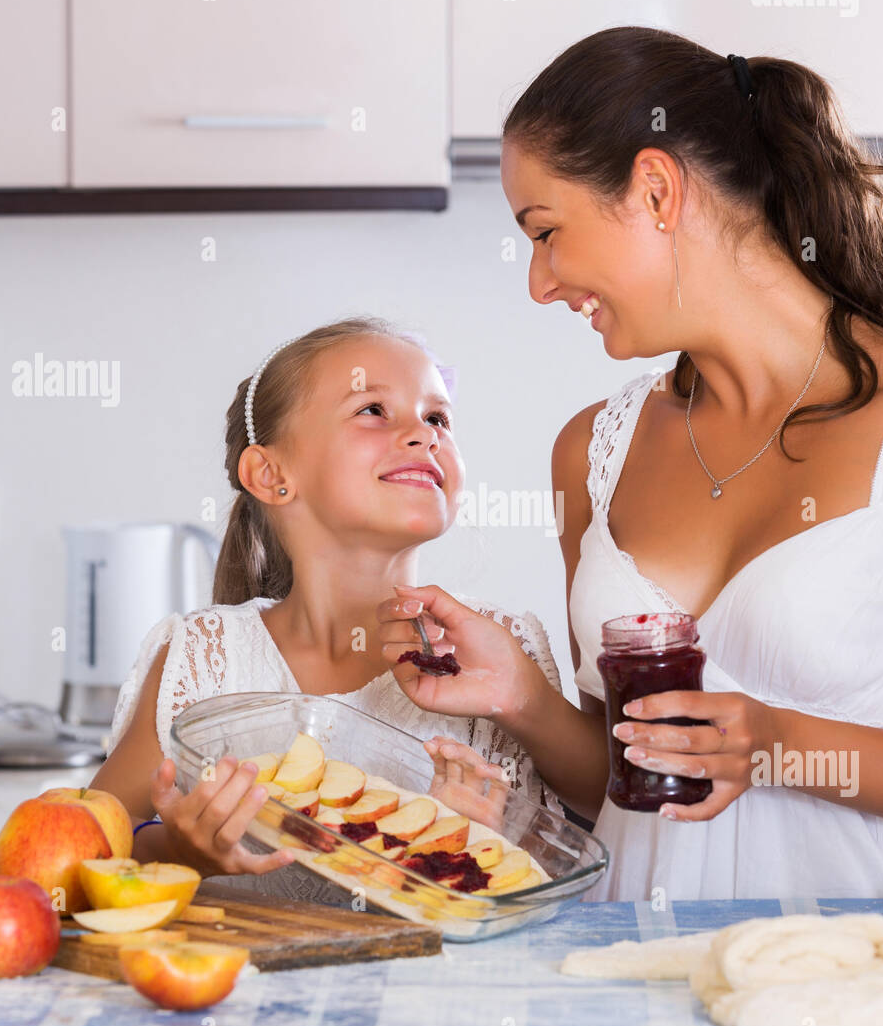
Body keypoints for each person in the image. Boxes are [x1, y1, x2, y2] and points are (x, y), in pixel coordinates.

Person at [377, 28, 883, 901]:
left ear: (655, 189)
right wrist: (522, 698)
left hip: (858, 986)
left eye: (547, 231)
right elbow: (630, 784)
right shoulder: (594, 452)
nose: (540, 283)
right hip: (623, 979)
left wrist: (778, 744)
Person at [92, 317, 565, 902]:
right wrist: (179, 852)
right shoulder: (199, 661)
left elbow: (587, 857)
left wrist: (474, 851)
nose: (425, 435)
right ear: (271, 474)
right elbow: (82, 849)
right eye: (372, 410)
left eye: (438, 417)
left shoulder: (502, 648)